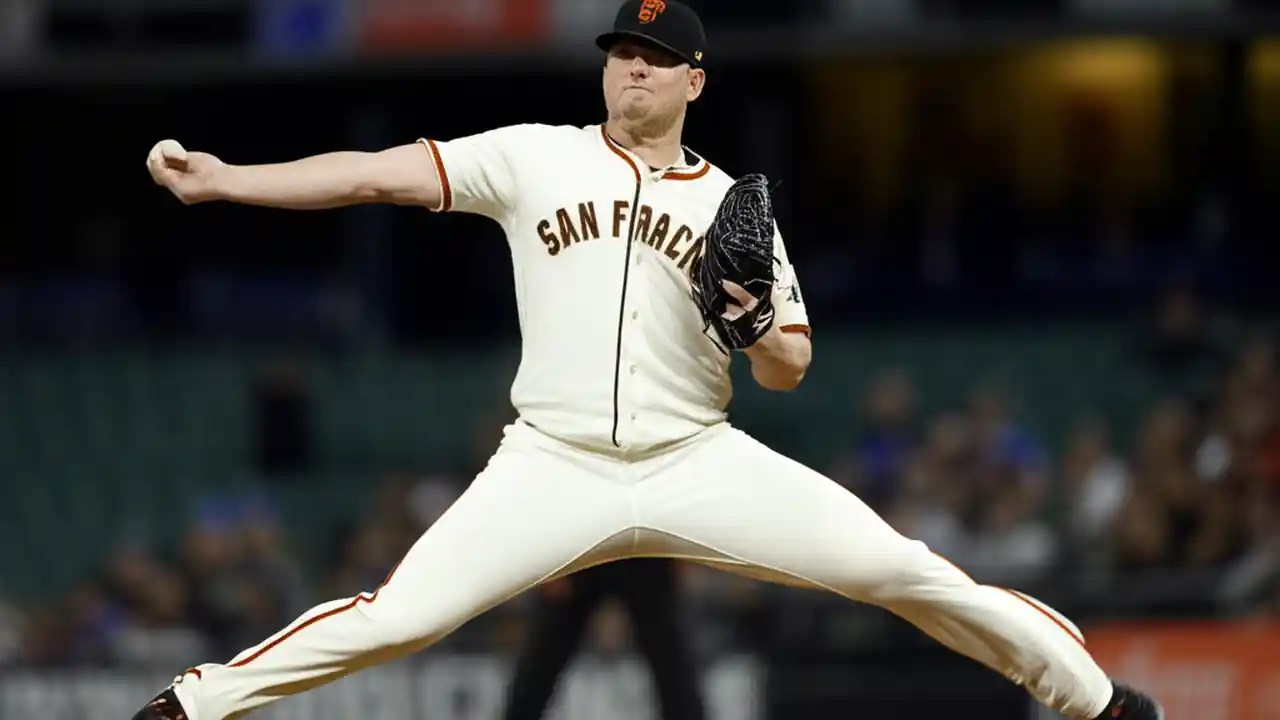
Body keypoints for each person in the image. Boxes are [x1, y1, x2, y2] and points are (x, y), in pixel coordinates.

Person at [134, 2, 1164, 719]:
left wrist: (756, 322)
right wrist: (230, 181)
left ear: (692, 81)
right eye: (620, 47)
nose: (630, 63)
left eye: (653, 53)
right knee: (397, 617)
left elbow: (790, 368)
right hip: (550, 463)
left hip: (693, 458)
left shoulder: (730, 208)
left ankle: (1096, 702)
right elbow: (371, 175)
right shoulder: (533, 155)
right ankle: (191, 705)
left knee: (899, 568)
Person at [502, 559, 705, 720]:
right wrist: (548, 561)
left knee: (673, 669)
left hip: (643, 544)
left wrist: (678, 553)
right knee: (540, 664)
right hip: (581, 541)